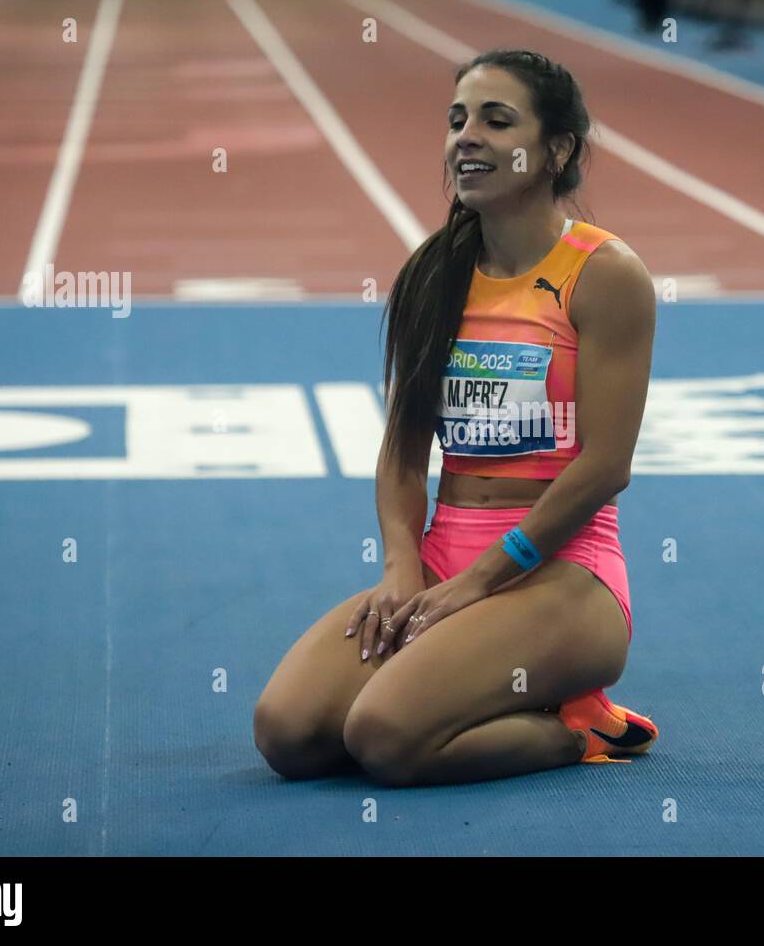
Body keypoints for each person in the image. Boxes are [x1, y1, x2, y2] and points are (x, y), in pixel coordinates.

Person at [253, 50, 660, 787]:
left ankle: (579, 728)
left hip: (562, 572)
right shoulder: (435, 273)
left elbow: (606, 465)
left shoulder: (605, 276)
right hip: (445, 558)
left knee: (384, 738)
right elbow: (404, 455)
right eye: (457, 120)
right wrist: (403, 567)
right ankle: (473, 689)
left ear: (556, 150)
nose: (466, 137)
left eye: (496, 121)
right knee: (289, 734)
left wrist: (481, 582)